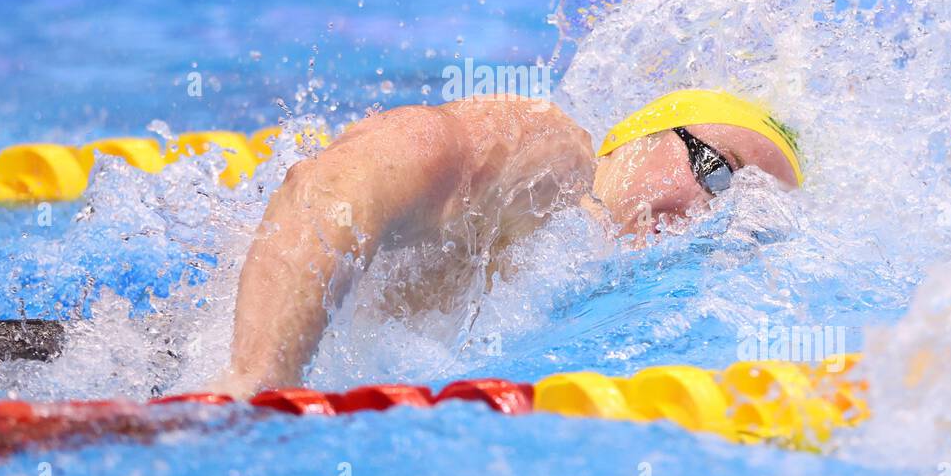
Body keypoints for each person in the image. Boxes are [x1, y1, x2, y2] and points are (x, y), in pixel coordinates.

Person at [219, 89, 802, 396]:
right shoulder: (553, 164)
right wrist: (261, 376)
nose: (707, 213)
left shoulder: (634, 310)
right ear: (635, 137)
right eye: (718, 171)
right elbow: (349, 179)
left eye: (744, 212)